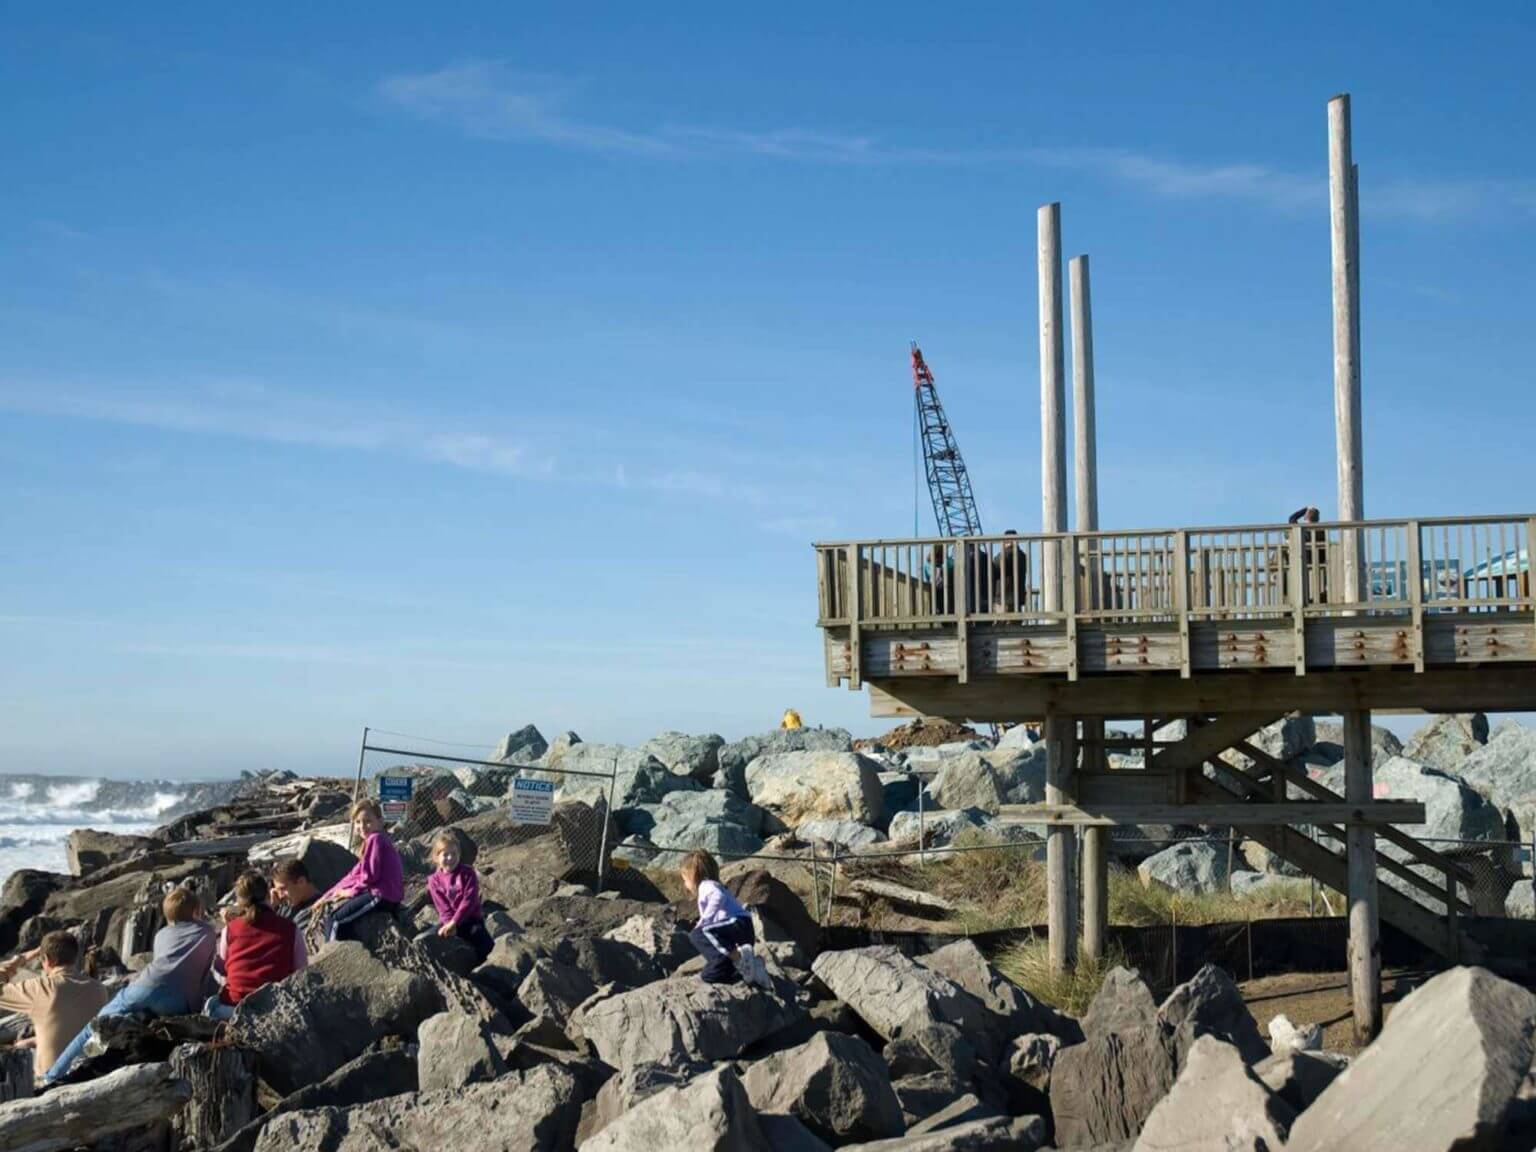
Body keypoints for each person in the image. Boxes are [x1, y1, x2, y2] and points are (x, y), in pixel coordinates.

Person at [46, 886, 215, 1083]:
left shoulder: (161, 934)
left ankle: (53, 1075)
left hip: (145, 987)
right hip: (178, 1001)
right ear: (196, 910)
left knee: (93, 1026)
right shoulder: (207, 932)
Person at [0, 931, 110, 1083]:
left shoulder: (43, 989)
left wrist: (20, 959)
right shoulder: (99, 989)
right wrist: (36, 1040)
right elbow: (76, 1030)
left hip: (52, 1083)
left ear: (46, 960)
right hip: (92, 1073)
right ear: (75, 957)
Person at [205, 871, 306, 1022]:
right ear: (268, 894)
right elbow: (301, 971)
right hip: (274, 1007)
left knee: (211, 1003)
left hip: (233, 1007)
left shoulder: (231, 929)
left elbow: (221, 968)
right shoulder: (290, 928)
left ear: (239, 900)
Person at [314, 800, 404, 942]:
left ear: (380, 821)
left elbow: (369, 876)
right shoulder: (372, 841)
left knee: (334, 919)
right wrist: (327, 896)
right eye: (357, 822)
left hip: (382, 895)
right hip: (383, 894)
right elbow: (353, 875)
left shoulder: (376, 839)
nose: (362, 826)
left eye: (368, 821)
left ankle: (329, 958)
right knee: (346, 923)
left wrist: (349, 892)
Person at [679, 850, 770, 989]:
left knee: (697, 935)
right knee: (708, 976)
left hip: (738, 923)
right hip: (741, 929)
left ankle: (736, 960)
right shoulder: (711, 886)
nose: (685, 885)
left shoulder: (707, 885)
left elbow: (718, 897)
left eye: (685, 879)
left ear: (694, 876)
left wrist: (704, 921)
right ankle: (751, 968)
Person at [426, 831, 494, 963]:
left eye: (454, 854)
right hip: (449, 922)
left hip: (470, 919)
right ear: (436, 857)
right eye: (446, 854)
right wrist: (449, 925)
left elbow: (469, 901)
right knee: (432, 940)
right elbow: (443, 907)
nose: (450, 858)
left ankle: (486, 970)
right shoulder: (433, 880)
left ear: (459, 855)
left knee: (483, 941)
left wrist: (454, 922)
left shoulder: (468, 873)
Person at [270, 858, 322, 932]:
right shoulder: (285, 907)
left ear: (301, 882)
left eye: (282, 889)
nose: (280, 896)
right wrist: (271, 908)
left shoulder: (319, 909)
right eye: (277, 890)